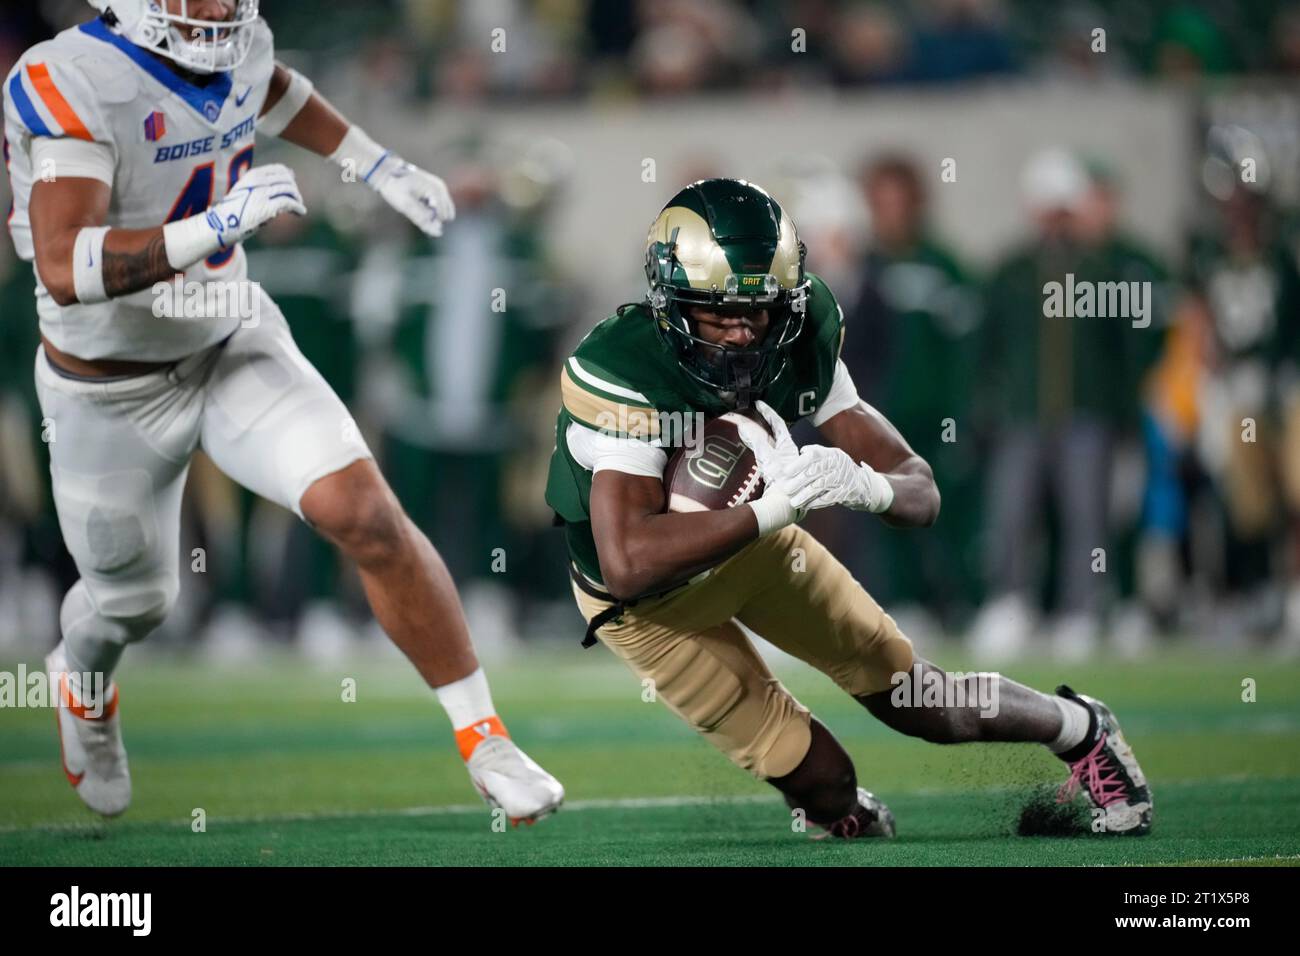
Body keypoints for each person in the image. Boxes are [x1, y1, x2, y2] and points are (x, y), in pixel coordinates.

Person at [3, 0, 562, 822]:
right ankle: (82, 679)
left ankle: (484, 736)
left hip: (228, 339)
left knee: (364, 513)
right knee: (133, 602)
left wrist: (375, 163)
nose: (221, 6)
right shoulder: (67, 79)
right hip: (106, 383)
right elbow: (65, 264)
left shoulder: (233, 40)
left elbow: (269, 87)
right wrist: (215, 225)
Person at [544, 177, 1152, 837]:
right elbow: (630, 562)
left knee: (922, 702)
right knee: (828, 789)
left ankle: (1083, 729)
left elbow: (921, 490)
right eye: (721, 311)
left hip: (756, 550)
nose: (747, 334)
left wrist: (871, 488)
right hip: (646, 606)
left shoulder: (801, 335)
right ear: (669, 301)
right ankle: (842, 806)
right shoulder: (621, 369)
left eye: (763, 310)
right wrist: (770, 512)